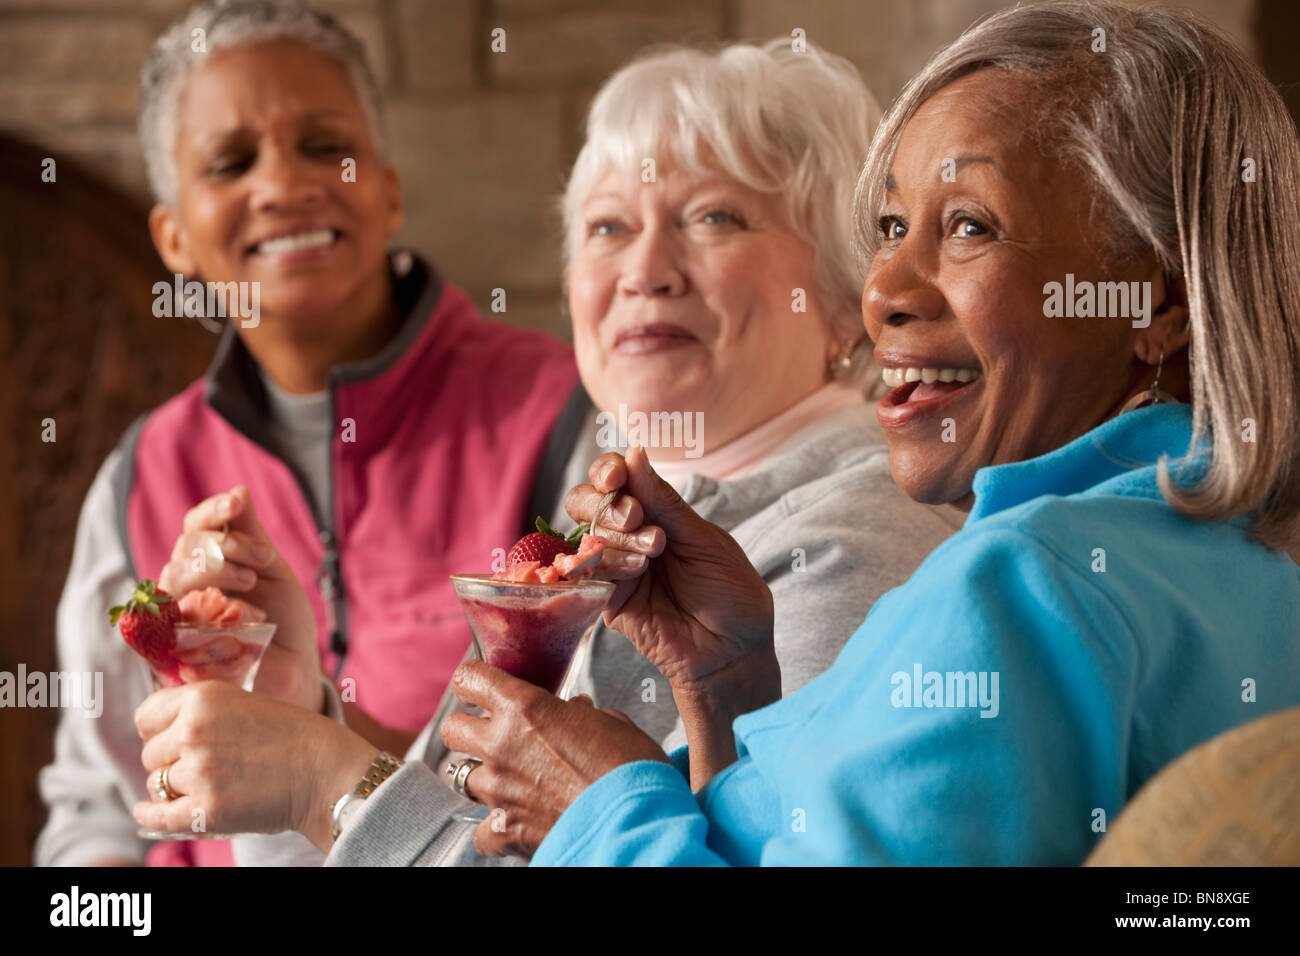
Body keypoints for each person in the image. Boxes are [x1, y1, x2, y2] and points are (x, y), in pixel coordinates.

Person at [136, 0, 1300, 864]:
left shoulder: (1006, 576)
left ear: (1150, 301)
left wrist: (336, 783)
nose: (892, 275)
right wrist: (730, 688)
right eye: (889, 223)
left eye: (968, 225)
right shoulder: (1203, 551)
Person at [126, 39, 961, 863]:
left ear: (849, 297)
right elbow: (440, 837)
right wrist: (296, 716)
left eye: (714, 217)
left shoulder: (864, 543)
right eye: (607, 226)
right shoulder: (613, 517)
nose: (644, 269)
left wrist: (324, 782)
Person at [35, 0, 579, 867]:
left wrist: (308, 735)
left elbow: (586, 798)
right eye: (231, 161)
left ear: (390, 190)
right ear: (173, 238)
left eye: (329, 147)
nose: (284, 185)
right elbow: (98, 818)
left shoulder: (556, 417)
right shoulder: (140, 474)